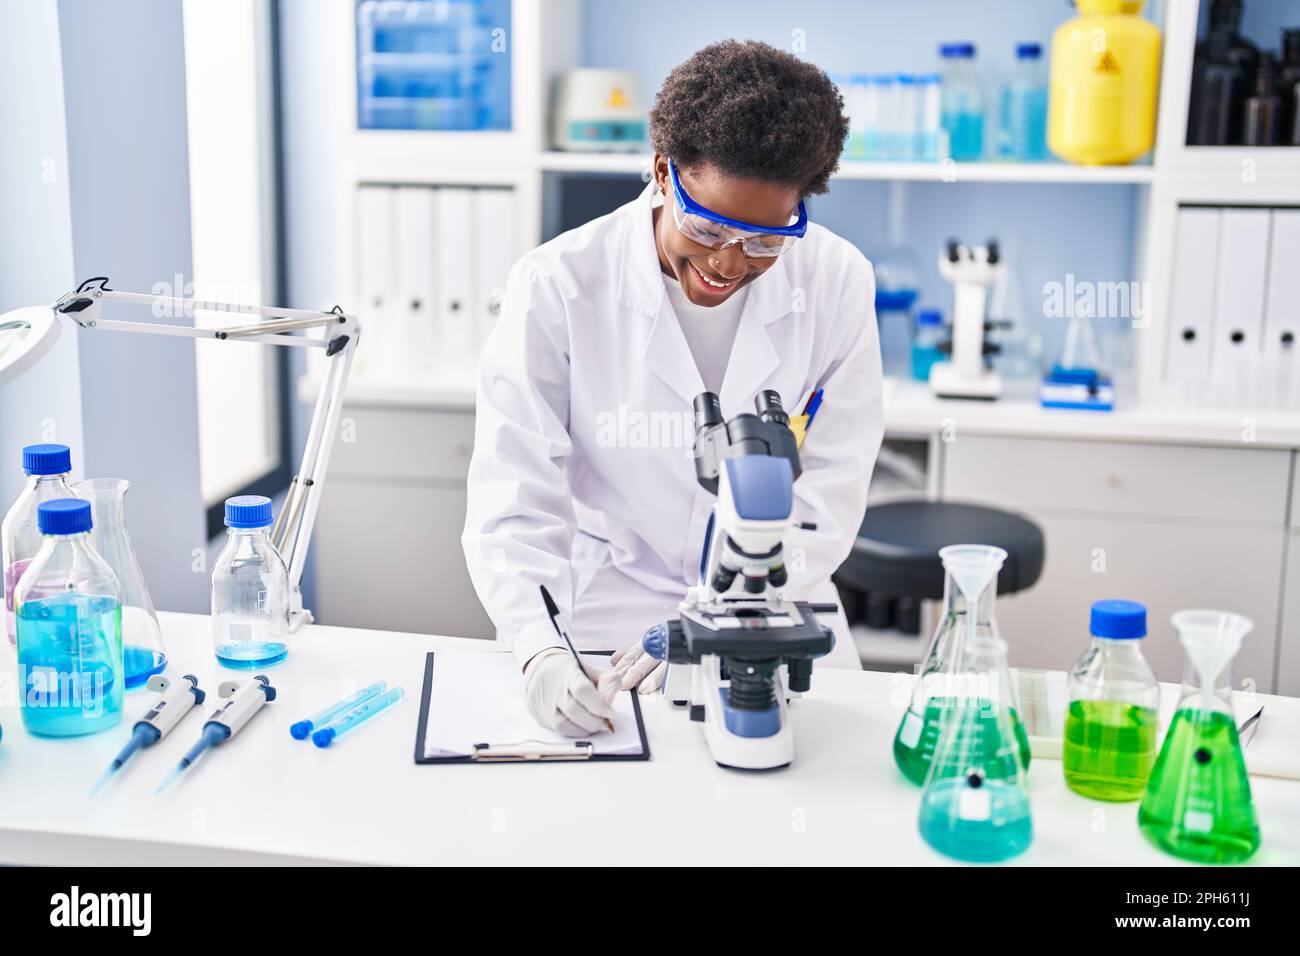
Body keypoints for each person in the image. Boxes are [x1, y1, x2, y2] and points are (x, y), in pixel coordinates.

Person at [463, 40, 884, 736]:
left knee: (820, 787)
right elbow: (514, 495)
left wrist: (723, 612)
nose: (727, 261)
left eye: (765, 239)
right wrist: (538, 650)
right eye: (709, 225)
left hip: (772, 595)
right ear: (663, 171)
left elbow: (832, 486)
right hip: (609, 601)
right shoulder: (557, 287)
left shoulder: (836, 281)